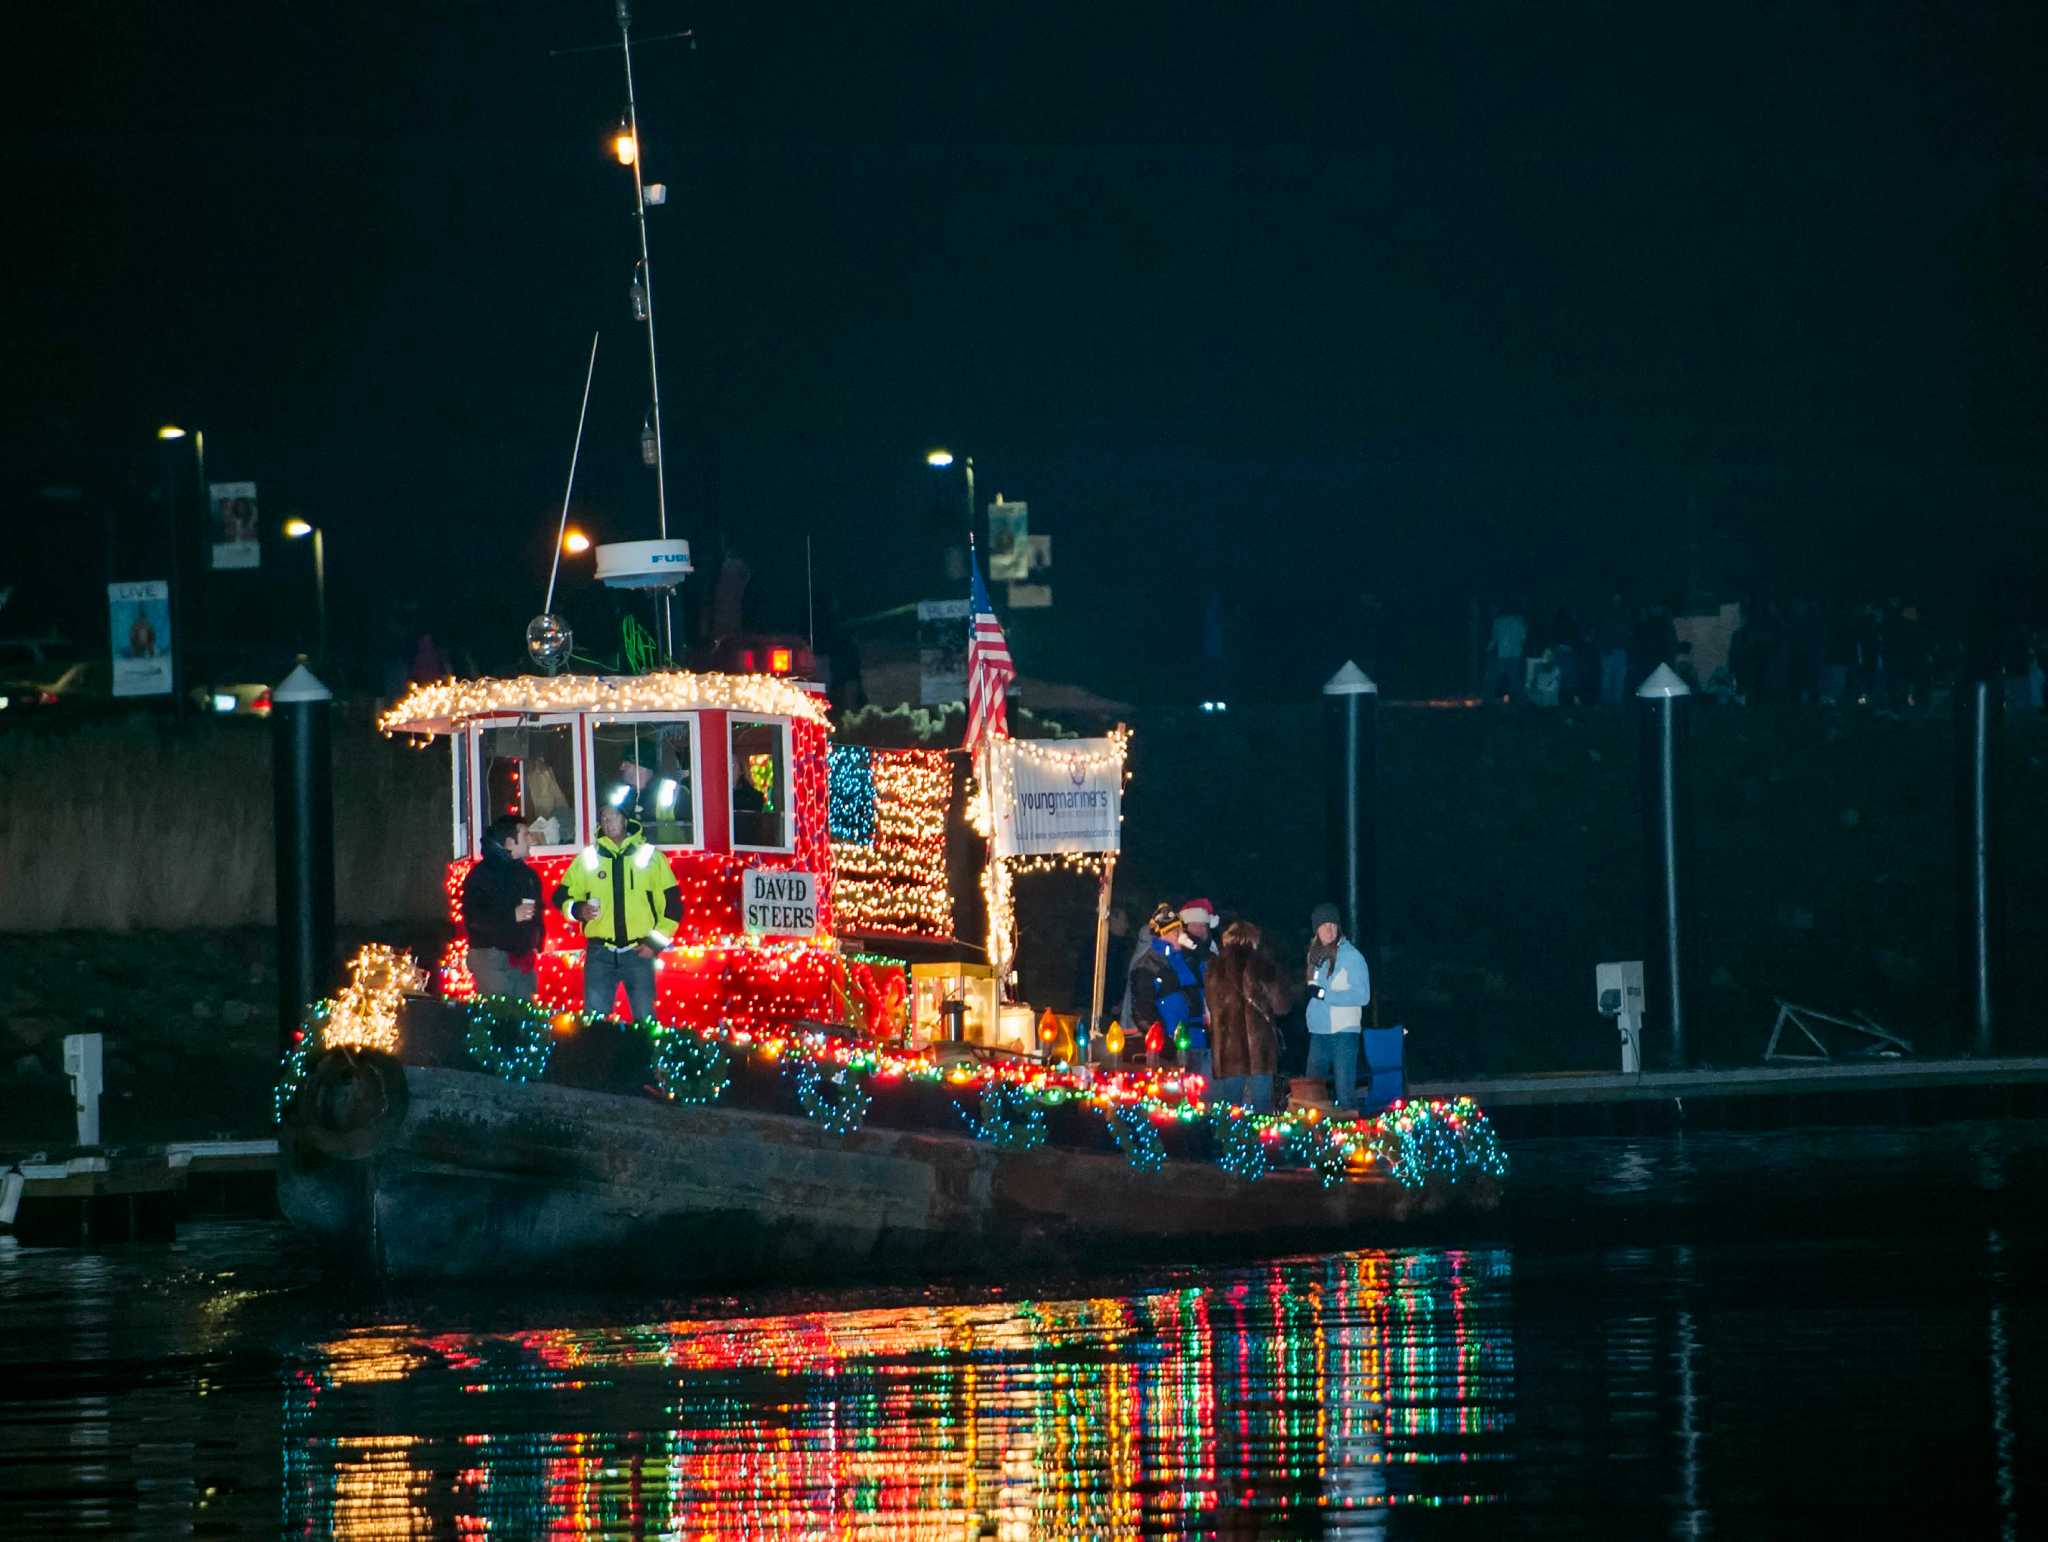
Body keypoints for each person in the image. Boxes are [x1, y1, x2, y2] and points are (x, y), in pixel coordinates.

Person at [552, 806, 682, 1022]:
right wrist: (578, 909)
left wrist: (654, 944)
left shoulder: (652, 857)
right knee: (594, 1026)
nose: (607, 821)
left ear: (626, 820)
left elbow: (672, 906)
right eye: (603, 817)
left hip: (638, 953)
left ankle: (644, 1056)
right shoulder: (588, 857)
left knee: (645, 1023)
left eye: (613, 816)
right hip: (599, 953)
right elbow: (561, 897)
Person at [1208, 920, 1290, 1111]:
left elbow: (1212, 1006)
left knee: (1229, 1110)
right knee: (1262, 1108)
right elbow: (1281, 1005)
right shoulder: (1261, 963)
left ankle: (1230, 1140)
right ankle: (1260, 1141)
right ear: (1252, 938)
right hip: (1259, 1051)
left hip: (1227, 1050)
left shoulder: (1214, 967)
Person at [461, 815, 543, 1000]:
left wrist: (537, 939)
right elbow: (475, 918)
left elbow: (537, 911)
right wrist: (511, 916)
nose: (531, 840)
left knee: (524, 1019)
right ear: (509, 842)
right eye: (525, 835)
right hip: (492, 958)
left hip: (522, 959)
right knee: (500, 1016)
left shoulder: (528, 875)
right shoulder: (483, 875)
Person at [1304, 901, 1371, 1109]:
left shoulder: (1352, 957)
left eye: (1333, 924)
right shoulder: (1314, 958)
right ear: (1316, 930)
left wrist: (1326, 994)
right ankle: (1313, 1138)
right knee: (1311, 1095)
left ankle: (1351, 1136)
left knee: (1345, 1095)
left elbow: (1363, 996)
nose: (1330, 930)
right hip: (1318, 1033)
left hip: (1343, 1033)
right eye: (1324, 925)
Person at [1129, 901, 1210, 1070]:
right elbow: (1143, 1010)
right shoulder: (1147, 966)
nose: (1182, 935)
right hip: (1172, 1050)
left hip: (1200, 1043)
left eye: (1181, 930)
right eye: (1176, 931)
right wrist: (1167, 1046)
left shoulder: (1190, 960)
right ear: (1164, 934)